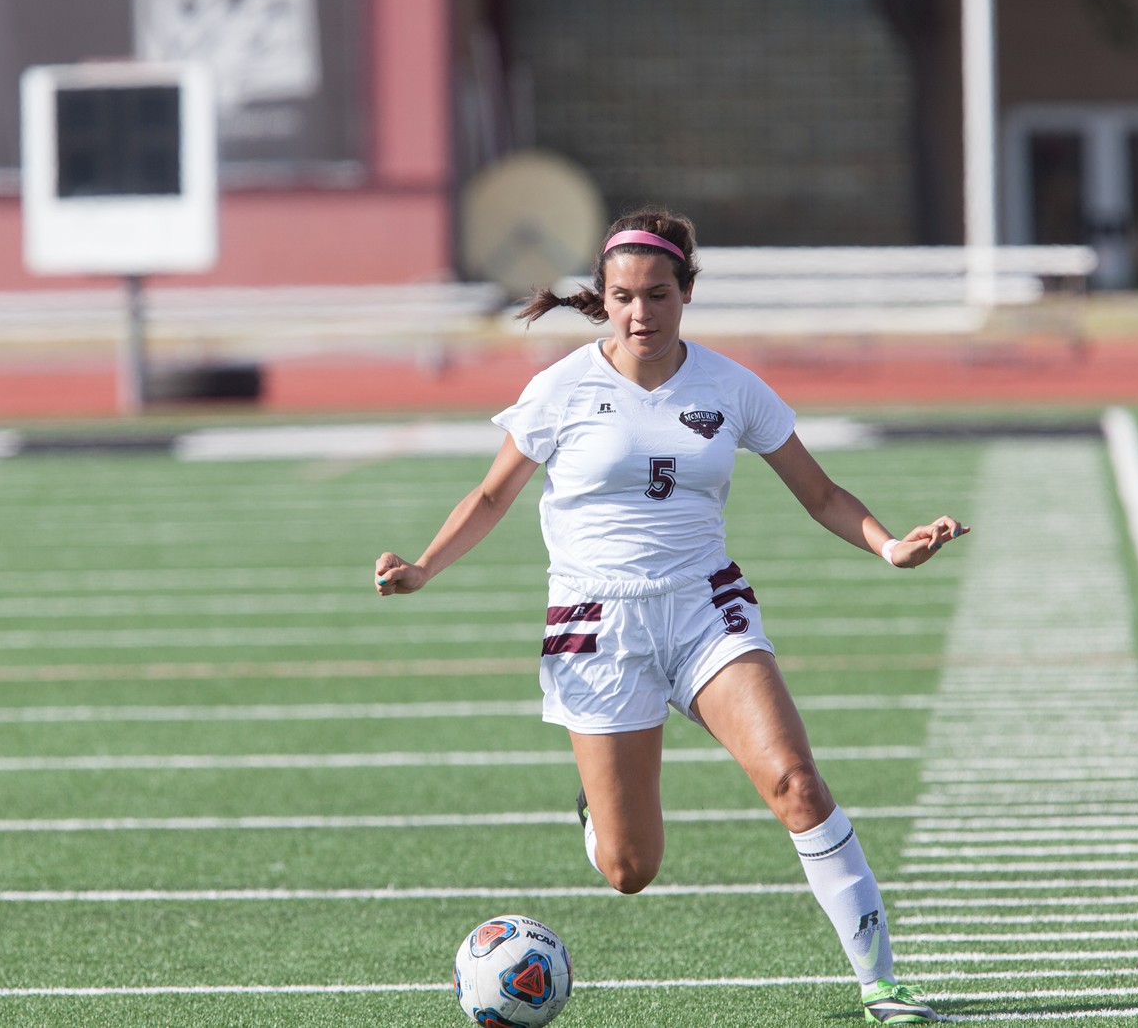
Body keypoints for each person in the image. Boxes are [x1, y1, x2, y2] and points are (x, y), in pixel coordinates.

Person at [374, 207, 967, 1024]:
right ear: (603, 296)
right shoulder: (562, 387)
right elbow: (490, 495)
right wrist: (421, 567)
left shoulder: (731, 386)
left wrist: (889, 545)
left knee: (797, 784)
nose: (640, 313)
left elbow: (822, 492)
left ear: (688, 291)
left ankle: (882, 983)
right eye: (623, 296)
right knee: (630, 868)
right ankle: (596, 810)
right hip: (596, 627)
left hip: (705, 610)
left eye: (657, 294)